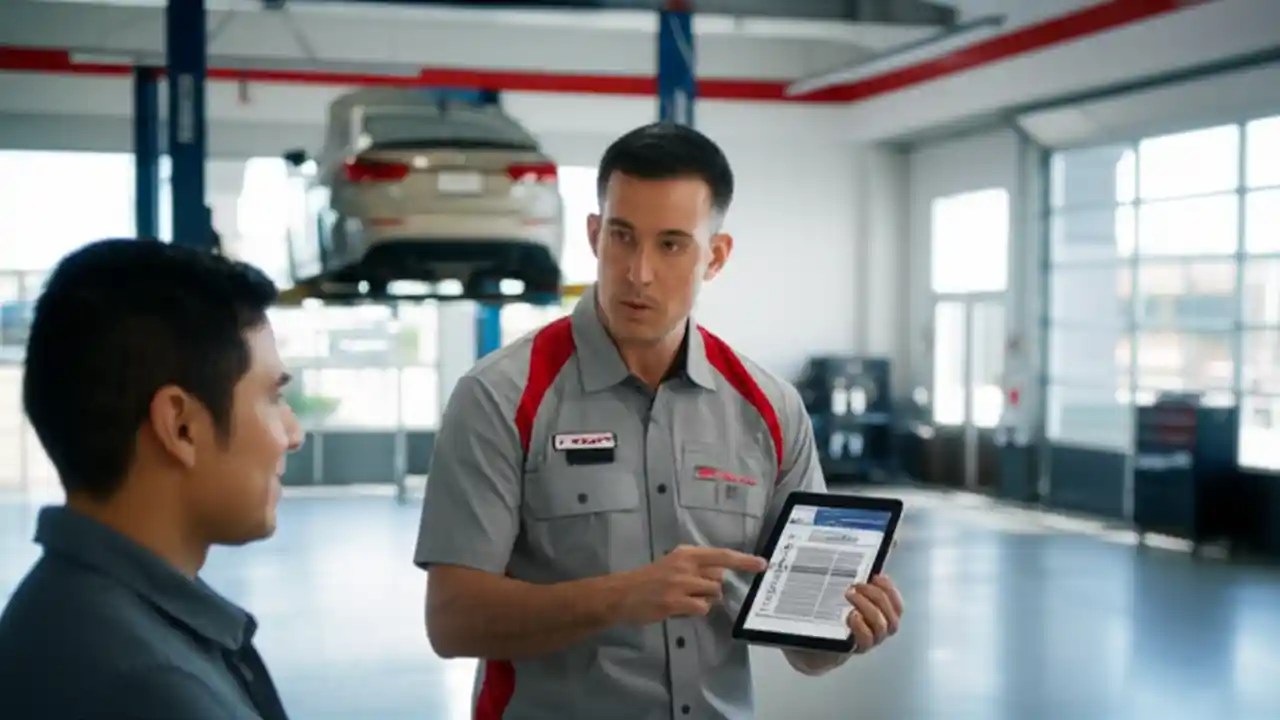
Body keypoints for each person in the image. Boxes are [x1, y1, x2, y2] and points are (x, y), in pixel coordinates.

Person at [414, 122, 905, 719]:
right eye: (622, 237)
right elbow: (452, 621)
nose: (638, 272)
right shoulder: (498, 397)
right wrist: (619, 598)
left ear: (715, 256)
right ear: (595, 236)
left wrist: (846, 629)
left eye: (671, 244)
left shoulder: (770, 410)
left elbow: (805, 652)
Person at [0, 238, 302, 719]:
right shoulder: (151, 689)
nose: (293, 433)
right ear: (180, 426)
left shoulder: (66, 613)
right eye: (271, 397)